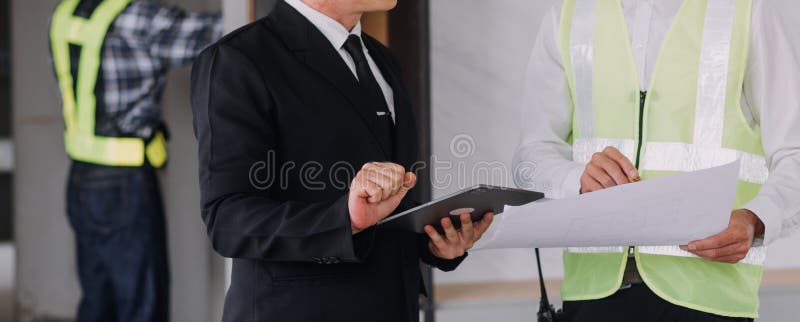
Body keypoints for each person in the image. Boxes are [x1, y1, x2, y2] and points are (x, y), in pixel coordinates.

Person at [190, 1, 494, 321]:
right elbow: (228, 221)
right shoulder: (236, 59)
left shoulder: (382, 60)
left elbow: (388, 206)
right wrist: (346, 220)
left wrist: (434, 243)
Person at [513, 0, 800, 321]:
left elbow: (795, 152)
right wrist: (573, 178)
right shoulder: (570, 15)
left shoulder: (746, 11)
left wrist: (757, 219)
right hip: (593, 297)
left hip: (708, 297)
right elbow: (531, 157)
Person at [49, 0, 222, 321]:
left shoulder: (65, 11)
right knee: (142, 307)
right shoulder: (136, 17)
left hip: (82, 179)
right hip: (124, 184)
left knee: (98, 302)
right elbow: (227, 32)